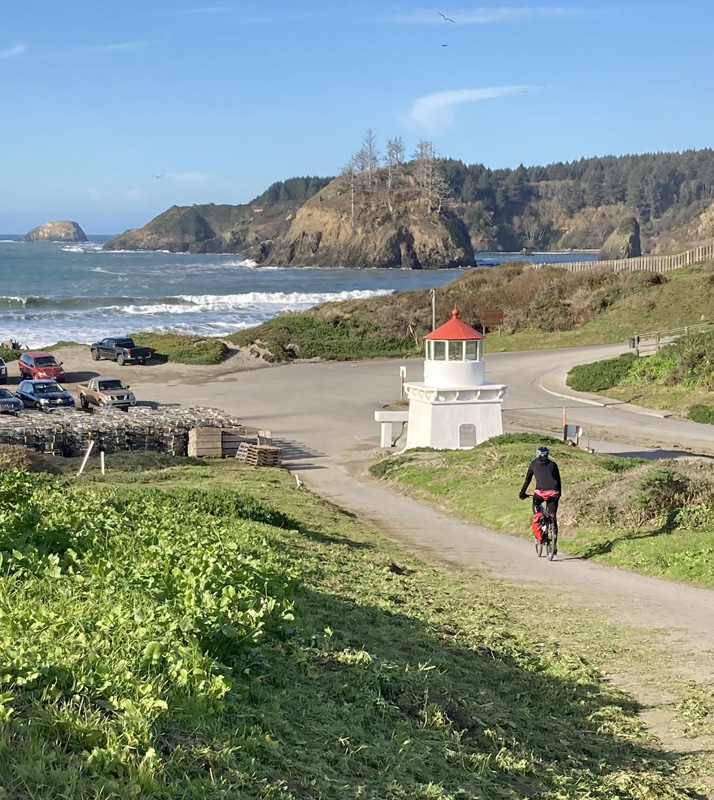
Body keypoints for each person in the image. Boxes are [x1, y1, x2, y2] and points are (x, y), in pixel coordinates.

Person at [519, 446, 561, 549]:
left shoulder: (533, 464)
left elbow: (527, 480)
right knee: (553, 516)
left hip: (540, 493)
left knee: (536, 504)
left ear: (537, 454)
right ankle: (554, 544)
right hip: (553, 492)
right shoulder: (553, 464)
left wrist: (522, 492)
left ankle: (541, 524)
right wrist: (559, 493)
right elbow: (558, 480)